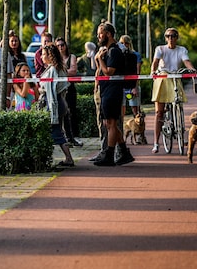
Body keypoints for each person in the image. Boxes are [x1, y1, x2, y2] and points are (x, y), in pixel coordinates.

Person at [149, 27, 196, 153]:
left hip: (175, 78)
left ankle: (180, 130)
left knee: (178, 105)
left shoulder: (181, 50)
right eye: (168, 36)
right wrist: (153, 71)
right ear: (165, 38)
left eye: (174, 35)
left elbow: (186, 61)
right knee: (159, 112)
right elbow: (155, 61)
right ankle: (156, 143)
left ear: (177, 37)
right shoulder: (160, 49)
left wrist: (192, 69)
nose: (171, 38)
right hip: (163, 78)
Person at [91, 22, 132, 166]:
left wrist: (100, 59)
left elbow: (109, 71)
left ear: (108, 34)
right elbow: (101, 71)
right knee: (108, 123)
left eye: (100, 33)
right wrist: (98, 60)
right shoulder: (106, 50)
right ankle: (125, 153)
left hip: (113, 91)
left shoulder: (114, 51)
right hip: (106, 90)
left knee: (111, 123)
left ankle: (109, 155)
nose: (98, 36)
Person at [40, 44, 75, 166]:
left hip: (54, 103)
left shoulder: (52, 71)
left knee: (56, 131)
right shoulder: (58, 68)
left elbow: (51, 93)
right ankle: (67, 158)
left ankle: (68, 158)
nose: (41, 56)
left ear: (50, 56)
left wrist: (52, 112)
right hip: (59, 102)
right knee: (57, 131)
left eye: (44, 54)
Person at [55, 37, 82, 146]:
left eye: (62, 45)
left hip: (70, 88)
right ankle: (63, 135)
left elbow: (73, 71)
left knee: (72, 112)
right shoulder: (55, 58)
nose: (60, 47)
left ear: (66, 46)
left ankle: (74, 135)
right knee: (62, 113)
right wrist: (66, 71)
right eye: (58, 45)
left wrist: (62, 71)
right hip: (60, 89)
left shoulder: (72, 57)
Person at [118, 35, 142, 120]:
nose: (124, 45)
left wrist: (135, 87)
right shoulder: (118, 55)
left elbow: (137, 72)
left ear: (129, 44)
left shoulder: (136, 55)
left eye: (126, 43)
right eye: (122, 43)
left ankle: (138, 130)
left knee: (135, 110)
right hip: (121, 87)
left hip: (132, 85)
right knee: (121, 110)